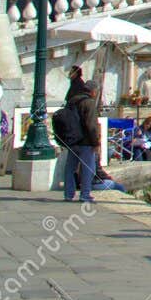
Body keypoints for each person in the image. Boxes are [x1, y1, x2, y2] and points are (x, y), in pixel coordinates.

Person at [59, 72, 100, 203]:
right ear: (93, 91)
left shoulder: (72, 100)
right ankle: (85, 194)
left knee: (70, 168)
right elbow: (91, 124)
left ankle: (68, 194)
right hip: (86, 141)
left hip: (72, 140)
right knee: (88, 168)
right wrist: (96, 142)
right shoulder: (89, 103)